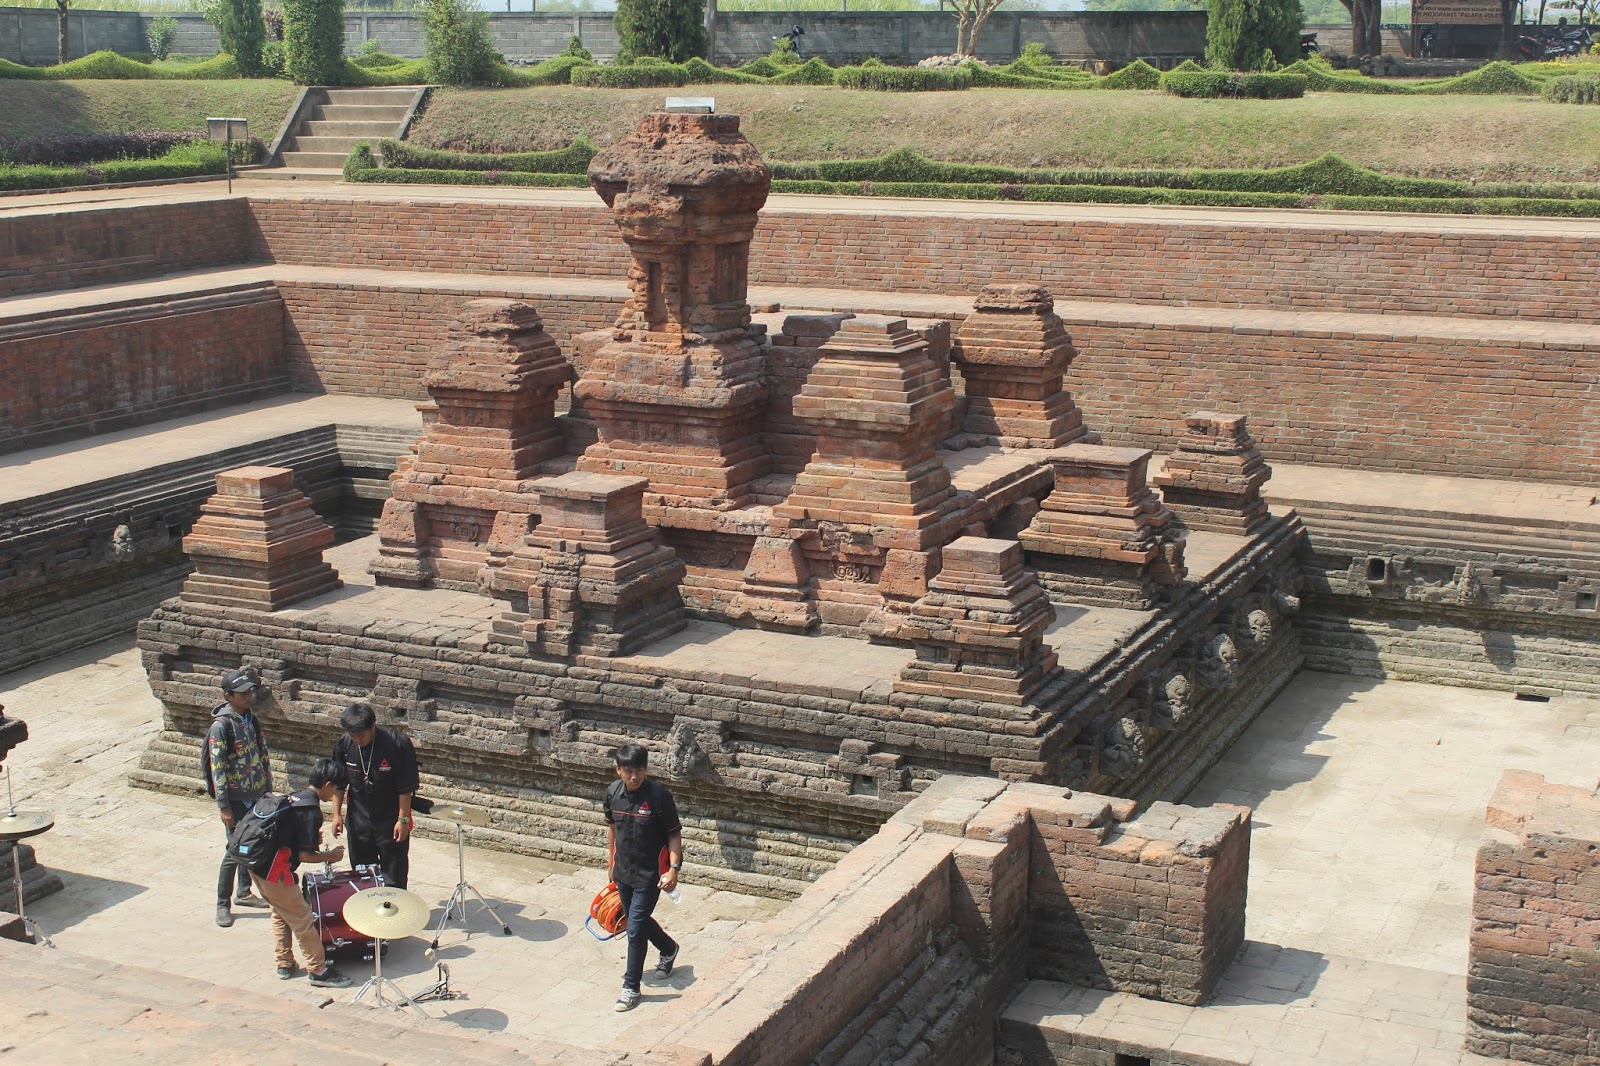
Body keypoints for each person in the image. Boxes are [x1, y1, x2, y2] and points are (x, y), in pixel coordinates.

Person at [246, 758, 353, 987]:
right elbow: (305, 856)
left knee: (279, 911)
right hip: (275, 871)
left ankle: (284, 962)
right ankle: (319, 970)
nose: (336, 795)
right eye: (336, 789)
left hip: (256, 864)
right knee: (302, 918)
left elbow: (292, 838)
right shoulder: (311, 810)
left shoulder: (295, 796)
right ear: (327, 784)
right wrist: (329, 856)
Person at [602, 742, 683, 1013]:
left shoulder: (659, 796)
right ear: (618, 770)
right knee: (637, 919)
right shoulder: (613, 793)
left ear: (646, 769)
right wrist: (610, 861)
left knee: (634, 928)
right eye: (628, 771)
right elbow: (612, 828)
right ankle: (669, 948)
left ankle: (630, 987)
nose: (634, 776)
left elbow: (673, 833)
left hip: (651, 875)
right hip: (624, 871)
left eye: (639, 770)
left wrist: (673, 869)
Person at [206, 667, 271, 928]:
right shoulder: (221, 727)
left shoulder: (250, 719)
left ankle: (244, 892)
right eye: (242, 693)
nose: (248, 696)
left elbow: (262, 753)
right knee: (234, 851)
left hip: (256, 795)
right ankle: (223, 903)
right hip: (235, 799)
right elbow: (217, 767)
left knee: (251, 845)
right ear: (228, 695)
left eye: (250, 691)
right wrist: (223, 805)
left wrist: (267, 788)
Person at [330, 702, 418, 889]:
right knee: (363, 875)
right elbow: (339, 783)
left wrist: (403, 820)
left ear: (373, 726)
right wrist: (336, 814)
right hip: (358, 821)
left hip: (390, 821)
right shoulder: (345, 744)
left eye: (361, 735)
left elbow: (405, 787)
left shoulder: (397, 744)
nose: (357, 740)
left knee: (394, 875)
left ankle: (395, 914)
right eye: (353, 736)